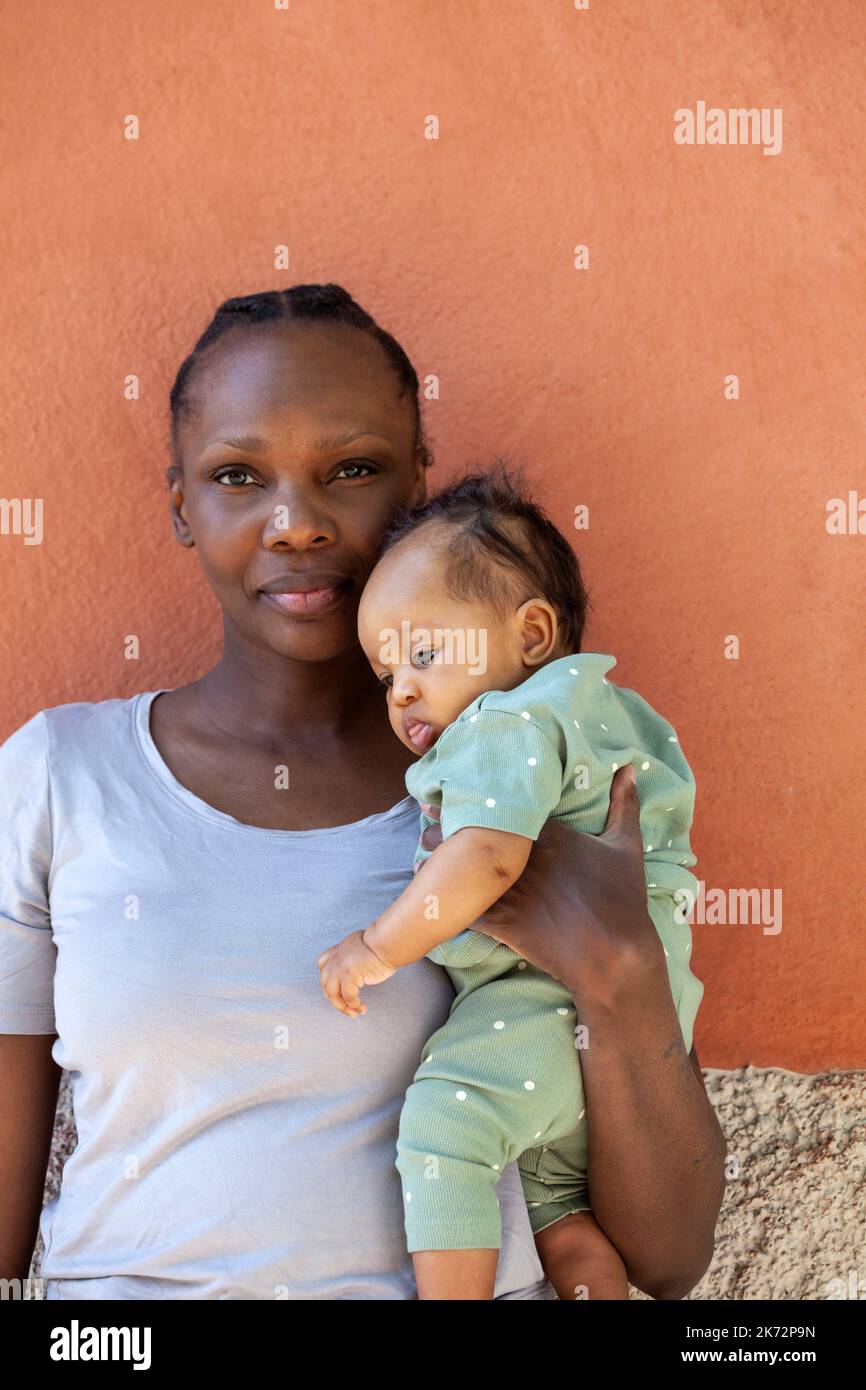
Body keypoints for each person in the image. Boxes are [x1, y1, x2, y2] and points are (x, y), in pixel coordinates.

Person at [0, 284, 725, 1301]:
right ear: (181, 507)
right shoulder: (58, 776)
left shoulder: (524, 792)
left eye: (350, 469)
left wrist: (620, 972)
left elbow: (665, 1258)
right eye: (237, 475)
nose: (295, 523)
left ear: (417, 491)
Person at [317, 467, 705, 1299]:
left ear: (532, 635)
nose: (405, 688)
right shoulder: (601, 712)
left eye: (423, 653)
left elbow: (489, 857)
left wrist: (378, 947)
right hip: (623, 1020)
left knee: (445, 1126)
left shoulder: (510, 720)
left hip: (545, 998)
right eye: (386, 674)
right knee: (561, 1214)